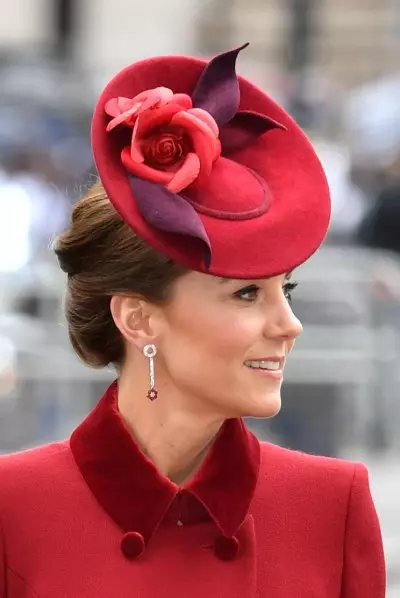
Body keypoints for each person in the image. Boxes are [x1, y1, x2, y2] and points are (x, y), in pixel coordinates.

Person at [0, 44, 385, 597]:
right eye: (247, 294)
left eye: (287, 290)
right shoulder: (14, 508)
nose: (290, 324)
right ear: (138, 318)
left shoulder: (331, 506)